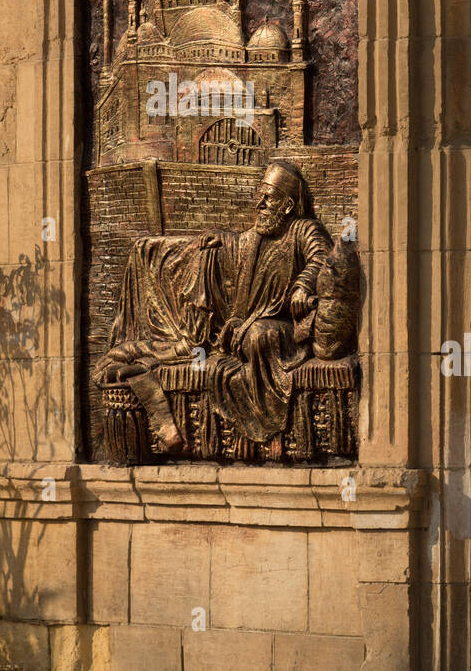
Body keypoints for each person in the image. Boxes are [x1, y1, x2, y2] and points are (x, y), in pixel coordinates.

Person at [95, 160, 331, 452]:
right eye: (260, 195)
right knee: (161, 252)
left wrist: (303, 285)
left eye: (267, 198)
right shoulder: (257, 237)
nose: (259, 203)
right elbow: (239, 243)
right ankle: (185, 337)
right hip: (245, 328)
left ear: (287, 205)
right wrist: (224, 237)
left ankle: (261, 417)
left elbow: (321, 258)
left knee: (258, 336)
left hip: (282, 331)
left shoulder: (304, 230)